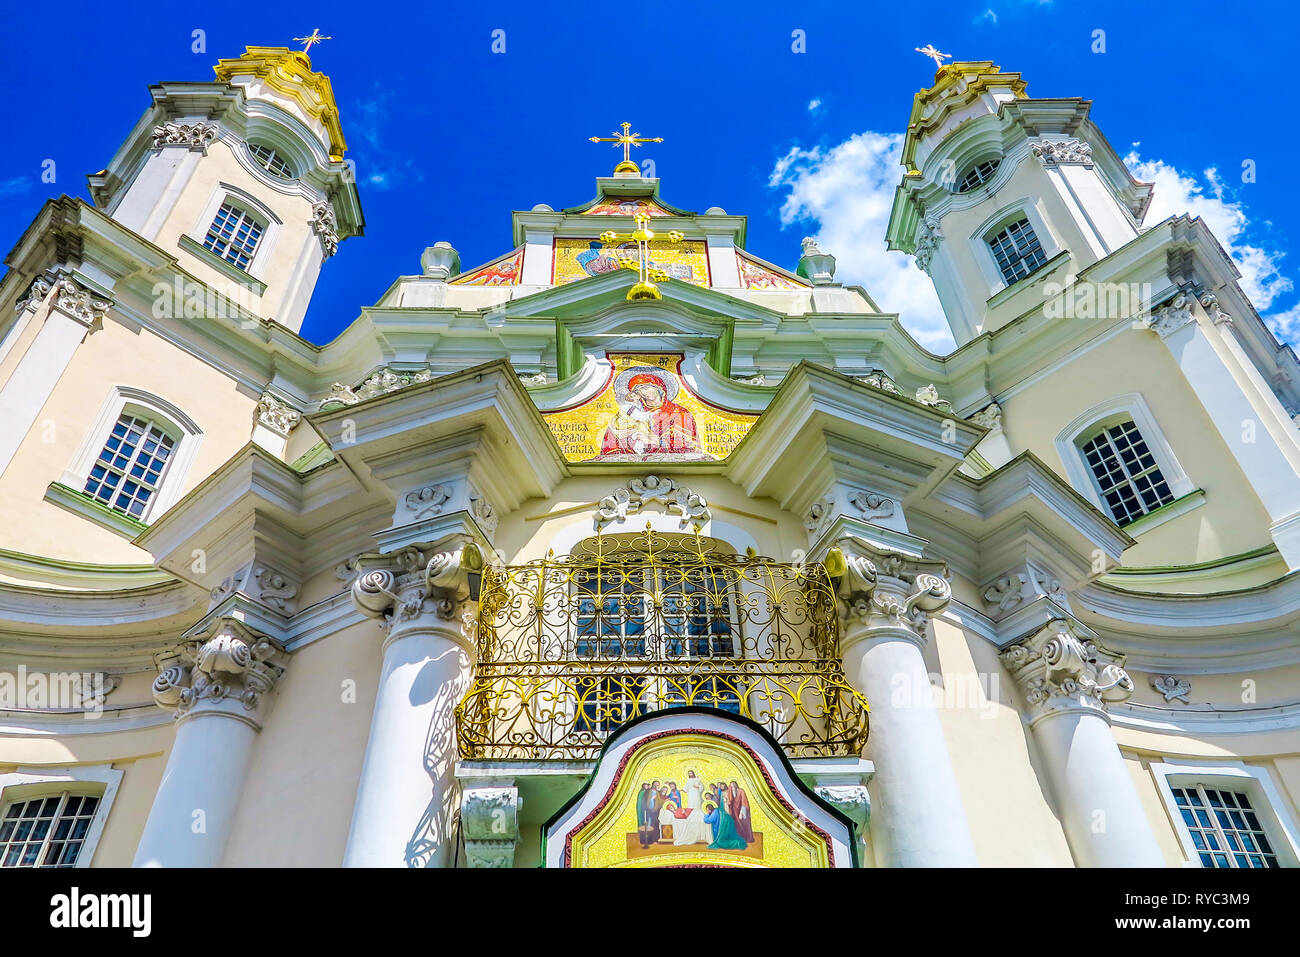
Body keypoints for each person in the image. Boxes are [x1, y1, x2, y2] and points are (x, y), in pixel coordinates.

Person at [600, 372, 701, 455]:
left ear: (659, 389)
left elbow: (688, 445)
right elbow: (612, 439)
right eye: (637, 391)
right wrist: (631, 437)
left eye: (645, 388)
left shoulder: (679, 413)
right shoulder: (630, 412)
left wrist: (657, 442)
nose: (642, 393)